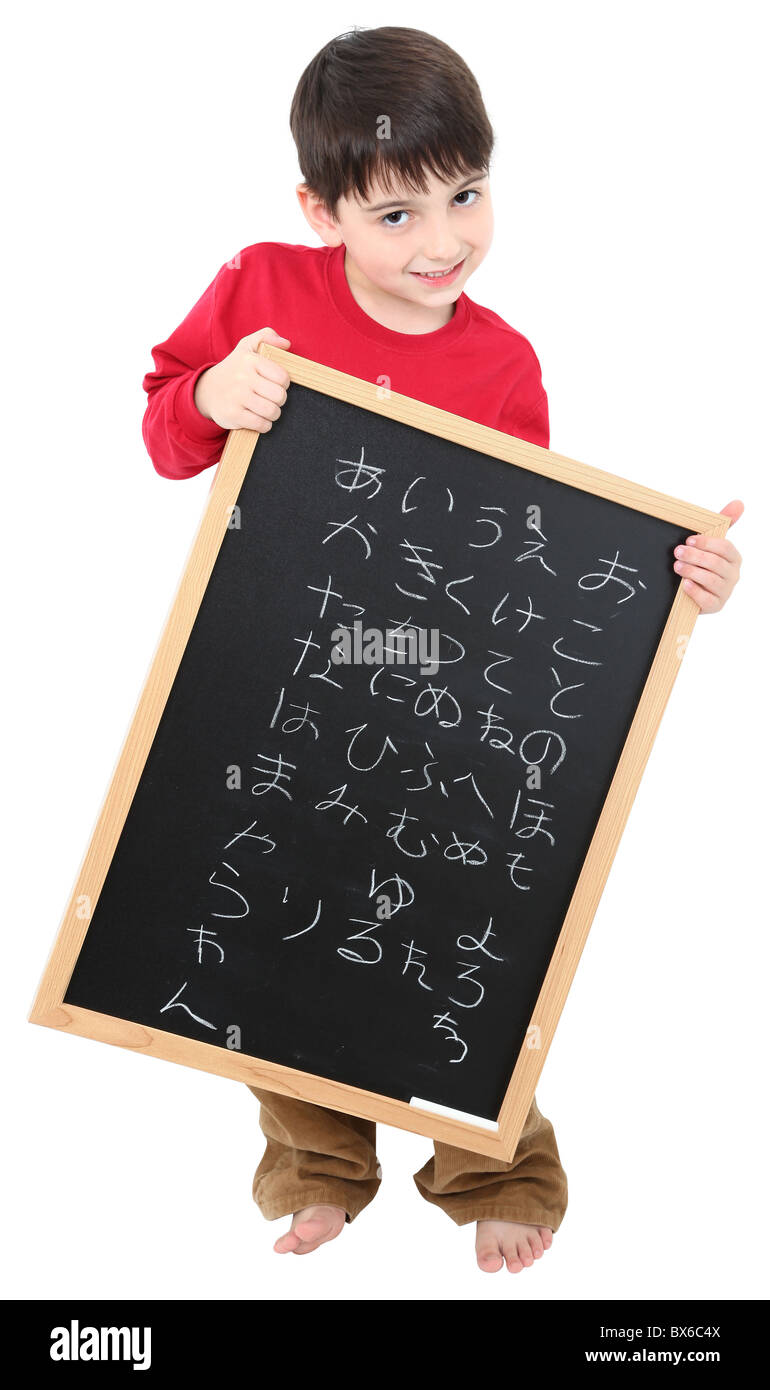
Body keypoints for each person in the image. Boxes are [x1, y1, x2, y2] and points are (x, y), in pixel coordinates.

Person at [141, 26, 743, 1273]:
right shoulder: (259, 287)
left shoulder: (501, 360)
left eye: (465, 196)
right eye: (396, 214)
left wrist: (675, 580)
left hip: (428, 680)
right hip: (275, 665)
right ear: (321, 212)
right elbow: (166, 430)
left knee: (462, 922)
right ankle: (318, 1165)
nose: (441, 242)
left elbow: (541, 562)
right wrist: (213, 395)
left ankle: (493, 1164)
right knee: (265, 909)